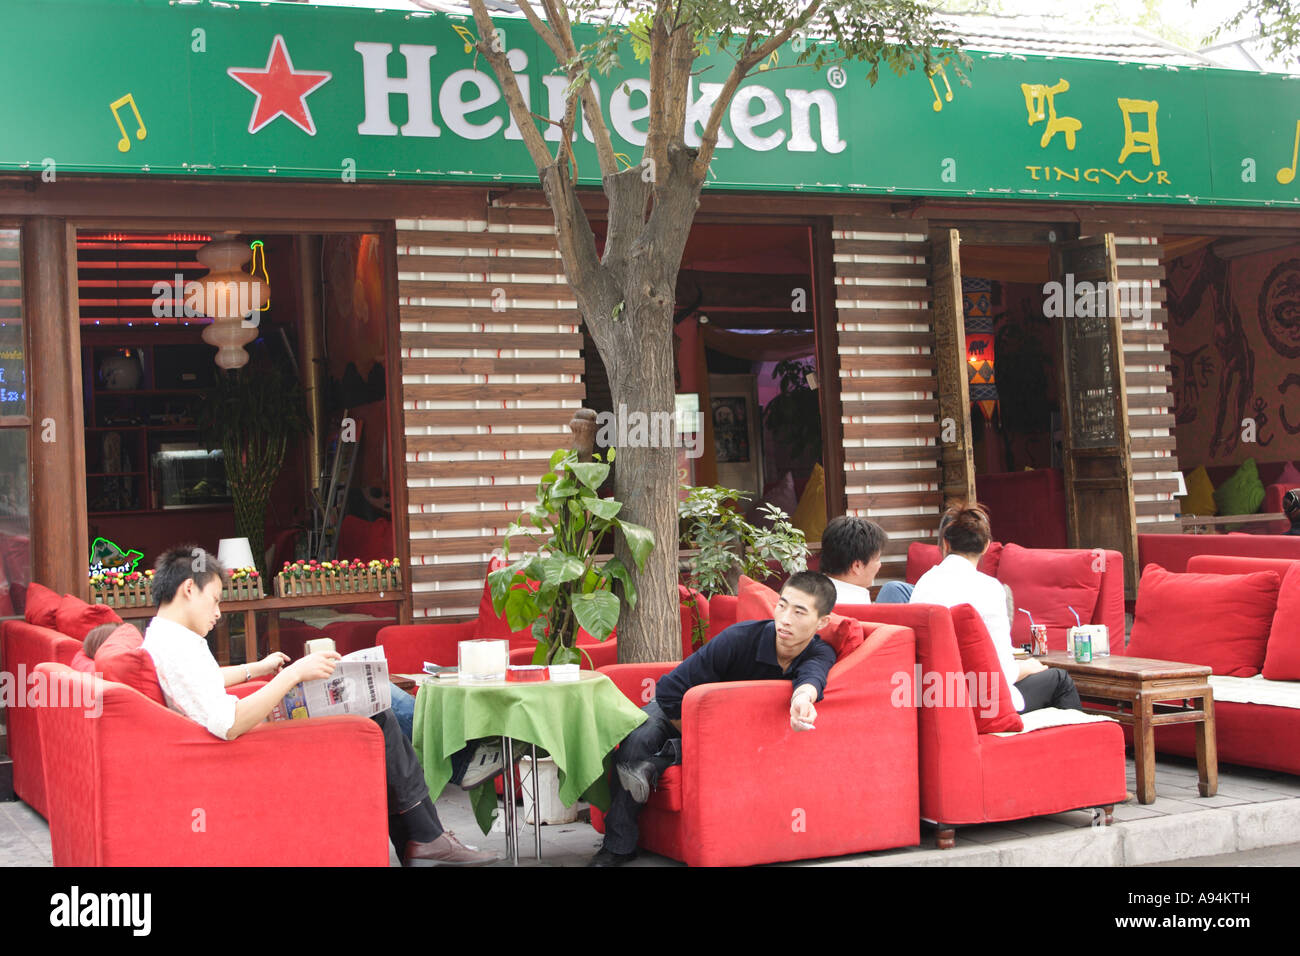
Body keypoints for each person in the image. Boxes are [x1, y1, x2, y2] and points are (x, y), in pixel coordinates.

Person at [140, 545, 499, 866]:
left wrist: (258, 668)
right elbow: (229, 723)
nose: (219, 612)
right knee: (378, 710)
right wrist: (292, 675)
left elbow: (205, 682)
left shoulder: (167, 637)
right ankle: (440, 807)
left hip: (245, 739)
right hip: (247, 748)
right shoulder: (176, 646)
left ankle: (424, 836)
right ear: (190, 588)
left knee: (374, 697)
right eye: (216, 599)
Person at [588, 570, 839, 867]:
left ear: (822, 621)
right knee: (638, 737)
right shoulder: (738, 639)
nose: (785, 619)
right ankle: (619, 846)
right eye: (782, 606)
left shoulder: (819, 652)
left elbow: (811, 678)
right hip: (679, 711)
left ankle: (656, 763)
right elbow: (669, 692)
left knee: (727, 742)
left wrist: (802, 700)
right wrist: (697, 739)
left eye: (799, 612)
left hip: (732, 733)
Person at [909, 504, 1081, 715]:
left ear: (945, 543)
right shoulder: (989, 588)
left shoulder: (924, 583)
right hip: (981, 701)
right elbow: (1002, 671)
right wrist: (1027, 667)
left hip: (933, 695)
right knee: (1060, 680)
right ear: (986, 546)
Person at [819, 515, 914, 606]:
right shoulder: (856, 605)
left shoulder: (815, 596)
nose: (880, 565)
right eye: (877, 559)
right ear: (857, 566)